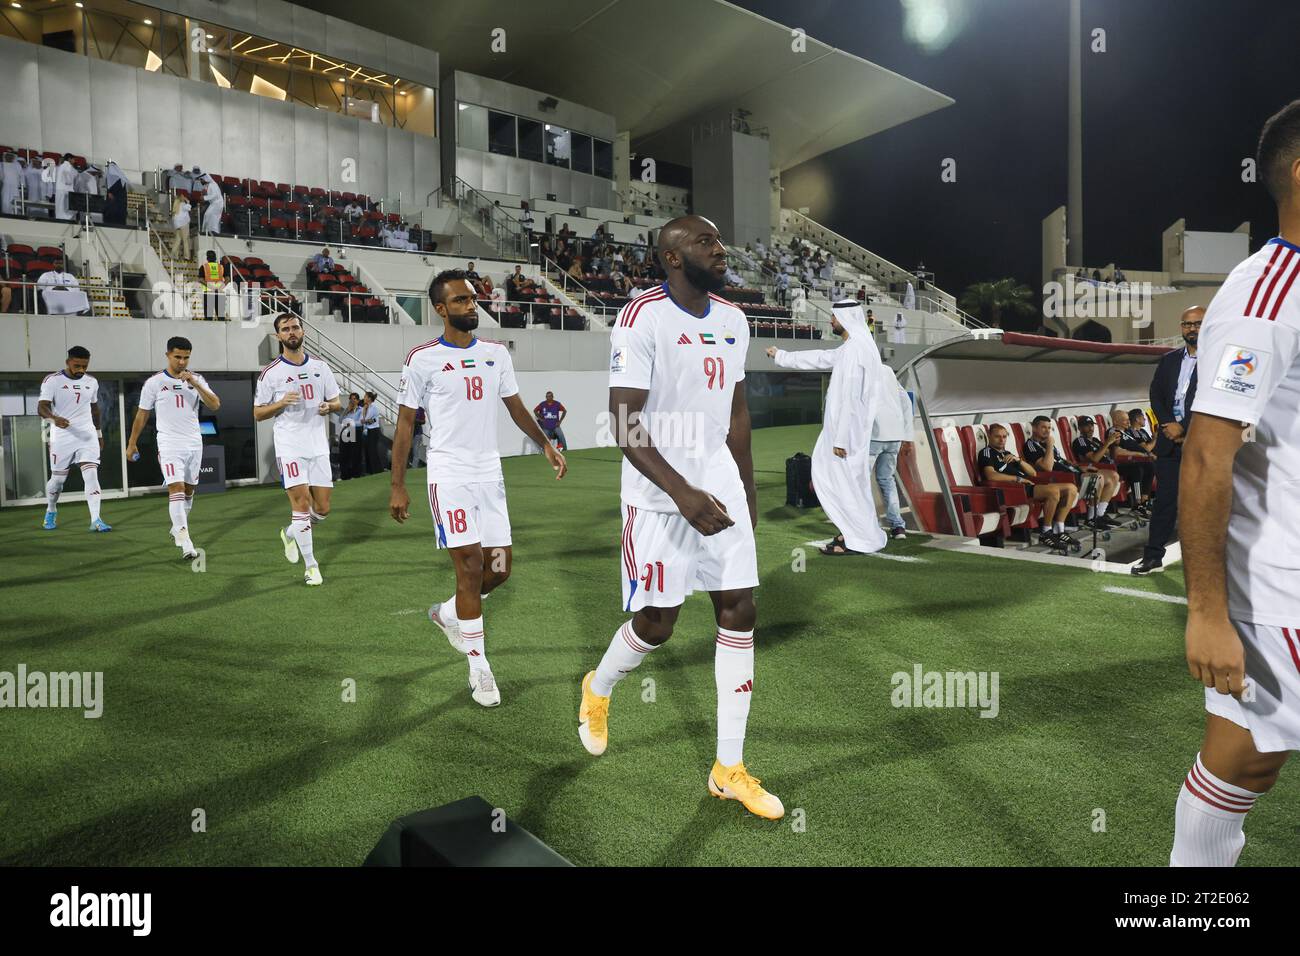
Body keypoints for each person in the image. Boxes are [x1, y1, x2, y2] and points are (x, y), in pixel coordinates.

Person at [577, 214, 784, 821]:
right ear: (671, 257)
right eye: (705, 241)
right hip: (658, 489)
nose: (720, 249)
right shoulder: (642, 316)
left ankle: (729, 769)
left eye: (719, 239)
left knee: (739, 608)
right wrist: (684, 494)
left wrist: (743, 494)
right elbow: (623, 421)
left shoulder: (734, 319)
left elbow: (738, 416)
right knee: (660, 623)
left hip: (716, 482)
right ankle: (600, 687)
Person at [1169, 100, 1300, 867]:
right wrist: (1207, 614)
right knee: (1245, 759)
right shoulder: (1265, 295)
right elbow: (1207, 456)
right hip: (1283, 589)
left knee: (1246, 758)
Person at [388, 269, 567, 708]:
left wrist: (546, 445)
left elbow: (516, 407)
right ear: (440, 309)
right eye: (461, 301)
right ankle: (479, 668)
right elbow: (406, 424)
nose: (471, 306)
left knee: (500, 568)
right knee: (469, 568)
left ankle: (448, 613)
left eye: (472, 299)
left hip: (490, 473)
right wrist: (398, 484)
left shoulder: (495, 354)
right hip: (448, 474)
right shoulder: (422, 359)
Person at [768, 301, 888, 555]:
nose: (831, 321)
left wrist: (841, 439)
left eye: (834, 317)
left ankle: (858, 539)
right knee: (848, 486)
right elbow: (821, 357)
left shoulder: (856, 349)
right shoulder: (854, 347)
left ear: (846, 318)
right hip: (846, 432)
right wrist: (781, 356)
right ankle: (857, 535)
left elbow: (852, 397)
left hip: (846, 435)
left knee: (846, 487)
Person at [254, 314, 342, 587]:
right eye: (285, 329)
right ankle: (312, 566)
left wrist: (330, 407)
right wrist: (280, 403)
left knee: (323, 509)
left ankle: (290, 533)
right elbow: (258, 413)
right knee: (301, 504)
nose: (291, 332)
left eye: (295, 327)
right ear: (278, 336)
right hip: (290, 446)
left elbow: (336, 400)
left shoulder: (320, 367)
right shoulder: (271, 373)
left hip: (317, 445)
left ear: (302, 331)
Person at [125, 337, 222, 559]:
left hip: (194, 443)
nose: (182, 362)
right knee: (176, 488)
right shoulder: (155, 382)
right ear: (168, 355)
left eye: (186, 357)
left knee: (188, 491)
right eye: (177, 357)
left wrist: (195, 384)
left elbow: (215, 405)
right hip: (169, 443)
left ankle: (177, 528)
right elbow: (142, 414)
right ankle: (185, 541)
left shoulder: (197, 379)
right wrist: (132, 443)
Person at [1133, 306, 1202, 575]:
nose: (1191, 329)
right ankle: (1152, 556)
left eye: (1197, 324)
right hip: (1168, 441)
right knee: (1165, 502)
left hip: (1198, 442)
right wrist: (1168, 425)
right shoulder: (1169, 359)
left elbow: (1210, 400)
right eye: (1186, 324)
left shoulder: (1219, 359)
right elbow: (1156, 394)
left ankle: (1202, 561)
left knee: (1201, 503)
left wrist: (1183, 427)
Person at [37, 346, 111, 532]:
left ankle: (96, 519)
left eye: (84, 366)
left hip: (87, 435)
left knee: (91, 474)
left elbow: (95, 409)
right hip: (62, 436)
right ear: (68, 362)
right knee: (58, 481)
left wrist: (99, 433)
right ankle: (51, 509)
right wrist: (54, 419)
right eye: (77, 365)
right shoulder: (52, 381)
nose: (81, 370)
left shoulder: (92, 382)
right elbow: (41, 407)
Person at [979, 423, 1079, 548]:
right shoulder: (987, 453)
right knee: (1053, 491)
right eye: (997, 436)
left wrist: (1018, 460)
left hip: (1027, 485)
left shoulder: (1008, 454)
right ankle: (1046, 532)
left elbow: (1032, 473)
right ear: (989, 436)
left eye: (1004, 437)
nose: (1001, 440)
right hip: (1014, 489)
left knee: (1071, 488)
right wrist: (1018, 479)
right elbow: (991, 476)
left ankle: (1059, 529)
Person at [869, 362, 913, 539]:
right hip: (894, 436)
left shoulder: (863, 369)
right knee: (887, 480)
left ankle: (868, 525)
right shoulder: (887, 370)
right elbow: (906, 401)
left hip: (874, 435)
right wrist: (907, 437)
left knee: (860, 482)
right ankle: (897, 527)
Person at [1070, 416, 1122, 528]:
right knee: (1100, 478)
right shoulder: (1080, 441)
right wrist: (1107, 443)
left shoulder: (1095, 441)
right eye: (1086, 426)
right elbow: (1094, 459)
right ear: (1079, 428)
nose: (1090, 428)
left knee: (1114, 476)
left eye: (1091, 425)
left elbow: (1111, 455)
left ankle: (1100, 514)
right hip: (1087, 470)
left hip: (1104, 468)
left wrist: (1114, 445)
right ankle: (1091, 518)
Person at [1109, 408, 1156, 514]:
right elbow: (1117, 452)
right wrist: (1139, 454)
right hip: (1121, 464)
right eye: (1125, 420)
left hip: (1135, 459)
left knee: (1150, 466)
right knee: (1137, 469)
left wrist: (1145, 454)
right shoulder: (1114, 432)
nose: (1128, 422)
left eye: (1128, 420)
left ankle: (1144, 501)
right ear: (1116, 421)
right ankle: (1137, 503)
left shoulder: (1127, 433)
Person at [360, 391, 383, 474]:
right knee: (368, 451)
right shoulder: (367, 407)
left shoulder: (373, 407)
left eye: (365, 396)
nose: (364, 398)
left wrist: (365, 419)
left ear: (369, 398)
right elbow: (364, 420)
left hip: (374, 430)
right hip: (369, 430)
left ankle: (378, 470)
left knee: (373, 451)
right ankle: (370, 470)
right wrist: (364, 410)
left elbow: (367, 420)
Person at [200, 250, 224, 320]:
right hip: (219, 292)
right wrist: (221, 287)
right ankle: (222, 330)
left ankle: (208, 330)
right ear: (215, 258)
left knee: (208, 316)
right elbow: (228, 279)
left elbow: (201, 280)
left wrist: (211, 287)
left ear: (207, 258)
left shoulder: (204, 267)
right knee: (221, 316)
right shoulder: (221, 267)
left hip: (208, 292)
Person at [102, 161, 128, 226]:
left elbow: (111, 195)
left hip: (113, 210)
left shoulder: (115, 179)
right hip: (119, 210)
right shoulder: (121, 178)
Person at [169, 193, 192, 261]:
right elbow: (189, 208)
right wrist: (187, 201)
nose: (184, 197)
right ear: (181, 198)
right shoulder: (182, 204)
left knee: (178, 240)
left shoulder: (175, 207)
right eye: (183, 196)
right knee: (186, 240)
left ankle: (173, 255)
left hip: (177, 225)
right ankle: (187, 256)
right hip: (184, 224)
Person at [54, 154, 76, 221]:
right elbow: (68, 180)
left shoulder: (60, 166)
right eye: (73, 159)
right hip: (65, 191)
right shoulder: (68, 166)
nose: (74, 161)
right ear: (69, 159)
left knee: (59, 209)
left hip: (59, 190)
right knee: (65, 211)